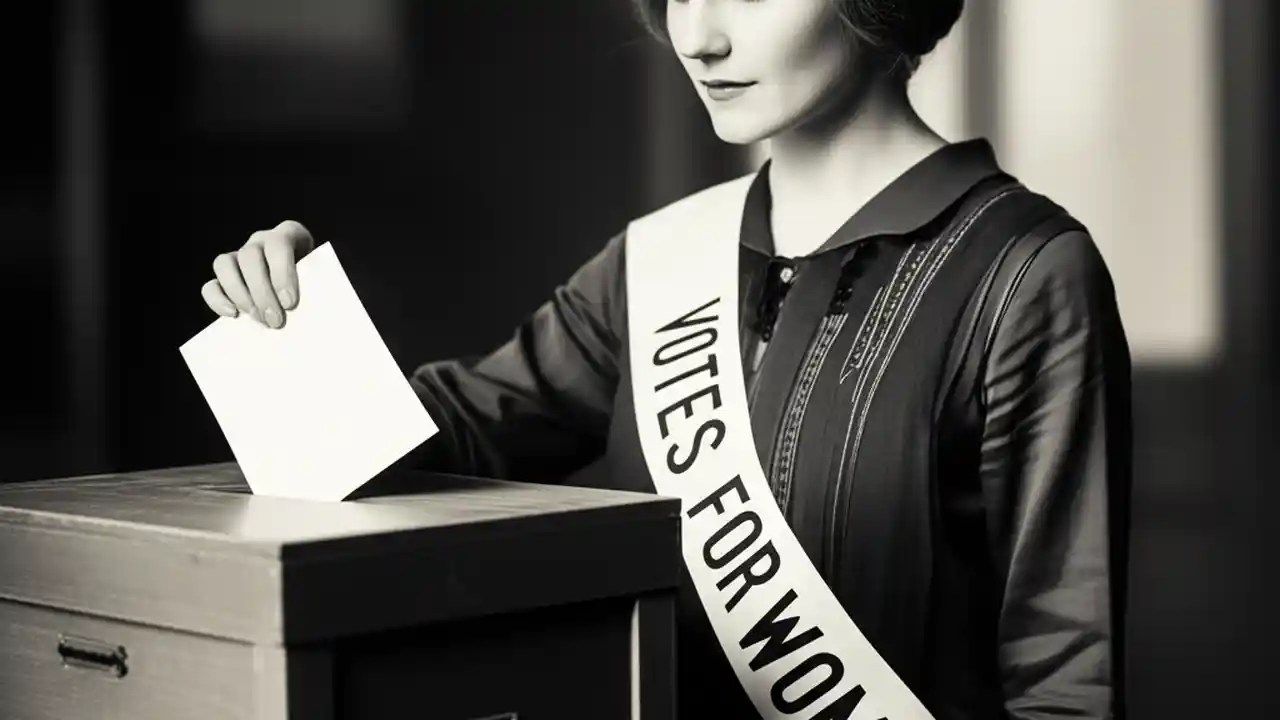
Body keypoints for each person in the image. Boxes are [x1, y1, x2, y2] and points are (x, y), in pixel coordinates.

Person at [200, 1, 1131, 717]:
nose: (699, 37)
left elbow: (1063, 672)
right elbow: (440, 445)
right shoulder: (655, 263)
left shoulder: (1024, 273)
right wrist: (292, 336)